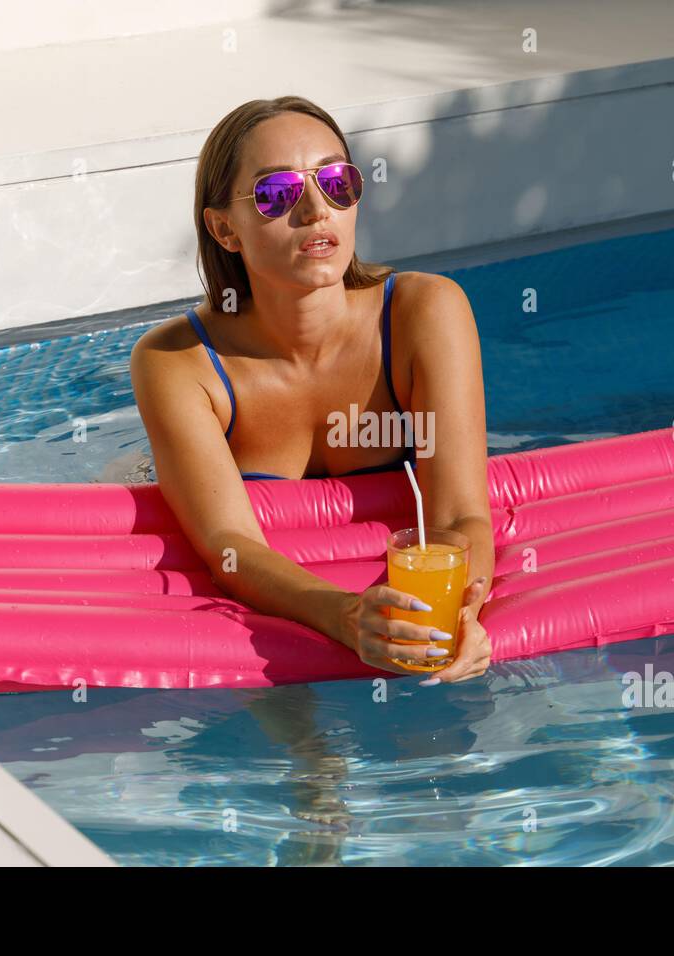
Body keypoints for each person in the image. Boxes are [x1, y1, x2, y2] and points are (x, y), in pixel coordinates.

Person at [131, 95, 493, 686]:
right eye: (277, 194)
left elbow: (460, 514)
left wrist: (458, 616)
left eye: (336, 182)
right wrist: (347, 616)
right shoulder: (179, 362)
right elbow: (229, 544)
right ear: (225, 228)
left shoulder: (424, 313)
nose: (316, 210)